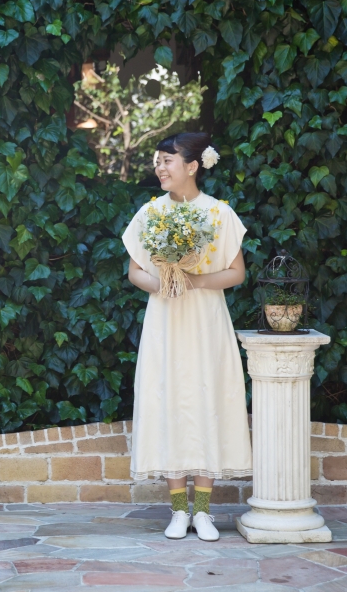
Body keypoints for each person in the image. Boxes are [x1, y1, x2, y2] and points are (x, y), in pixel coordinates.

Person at [121, 132, 252, 541]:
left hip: (205, 320)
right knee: (169, 402)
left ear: (192, 166)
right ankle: (179, 510)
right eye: (157, 161)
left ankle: (204, 512)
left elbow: (236, 272)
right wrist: (163, 284)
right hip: (165, 320)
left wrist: (193, 281)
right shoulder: (150, 213)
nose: (159, 168)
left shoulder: (218, 214)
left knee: (206, 400)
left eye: (167, 161)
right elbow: (135, 271)